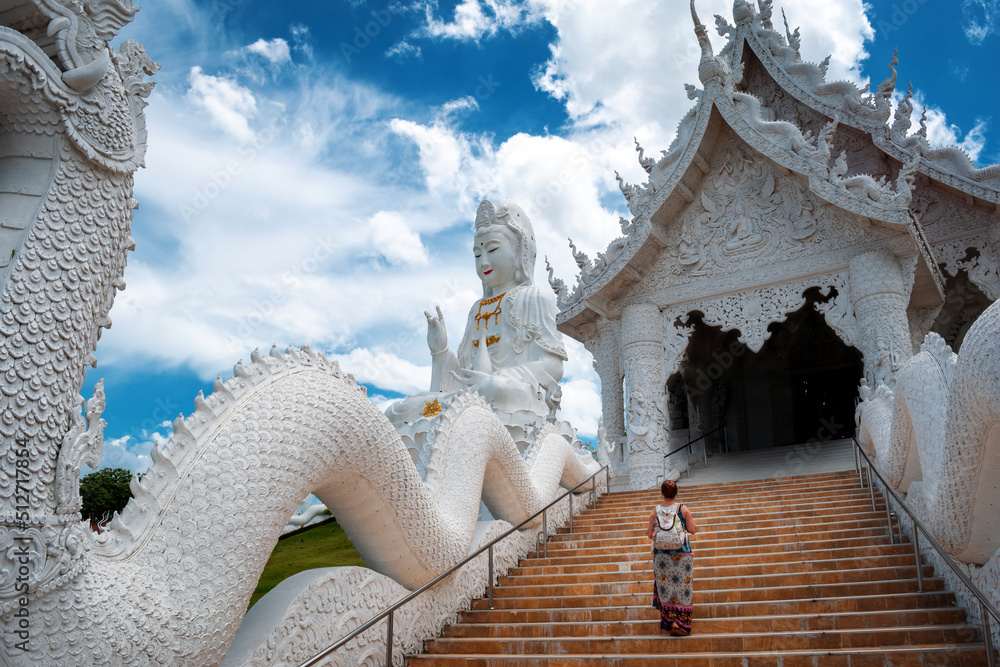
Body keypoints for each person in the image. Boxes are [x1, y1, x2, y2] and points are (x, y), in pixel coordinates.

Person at [385, 199, 568, 426]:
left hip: (512, 396)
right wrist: (439, 350)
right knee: (397, 410)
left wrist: (496, 379)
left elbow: (553, 367)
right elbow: (460, 376)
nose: (484, 261)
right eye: (477, 254)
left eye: (492, 249)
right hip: (466, 397)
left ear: (520, 250)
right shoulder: (476, 309)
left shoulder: (534, 297)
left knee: (494, 390)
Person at [646, 479, 697, 636]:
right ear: (676, 493)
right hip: (682, 554)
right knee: (682, 588)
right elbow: (693, 530)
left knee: (666, 589)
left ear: (662, 493)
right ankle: (679, 623)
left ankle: (670, 621)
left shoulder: (655, 511)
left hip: (662, 557)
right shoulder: (683, 509)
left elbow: (649, 534)